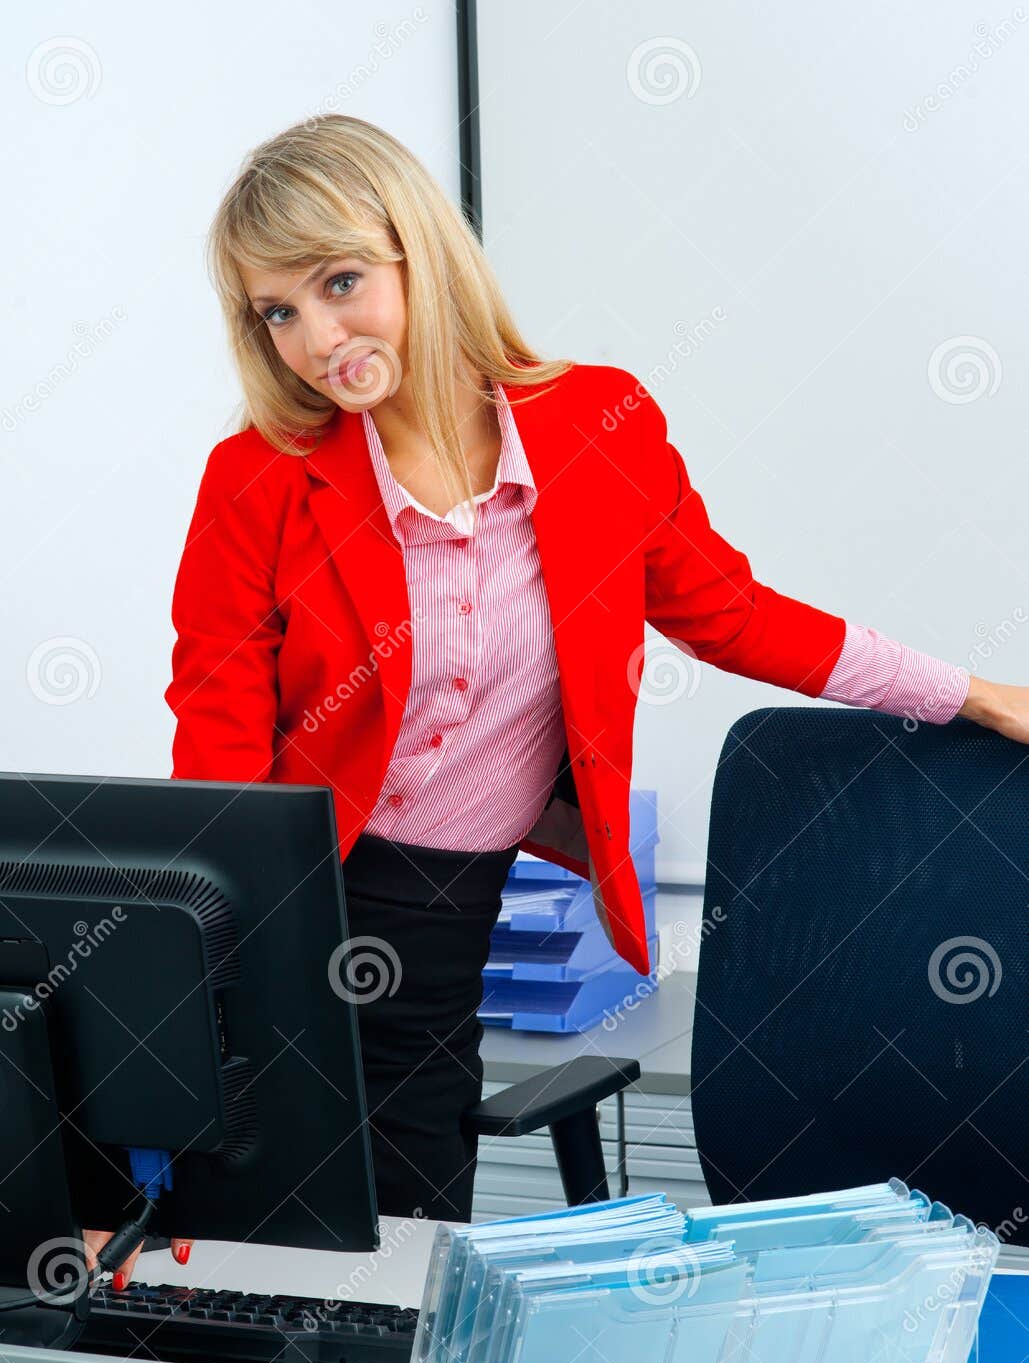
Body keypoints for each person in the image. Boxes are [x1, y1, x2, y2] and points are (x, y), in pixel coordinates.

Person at [85, 112, 1029, 1287]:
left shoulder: (597, 427)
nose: (317, 339)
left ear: (420, 252)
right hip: (280, 919)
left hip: (436, 932)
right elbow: (217, 747)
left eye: (340, 283)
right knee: (220, 1269)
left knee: (402, 1277)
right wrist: (174, 1060)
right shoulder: (258, 479)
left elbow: (736, 615)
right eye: (277, 312)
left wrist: (973, 693)